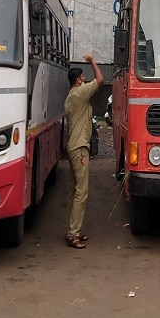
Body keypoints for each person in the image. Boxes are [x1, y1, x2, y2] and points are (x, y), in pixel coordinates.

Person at [64, 53, 104, 249]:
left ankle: (72, 229)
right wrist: (92, 62)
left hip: (73, 146)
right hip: (80, 148)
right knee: (82, 191)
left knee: (74, 190)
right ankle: (73, 233)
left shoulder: (71, 97)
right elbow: (101, 79)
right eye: (83, 77)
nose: (85, 79)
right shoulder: (79, 93)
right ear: (78, 80)